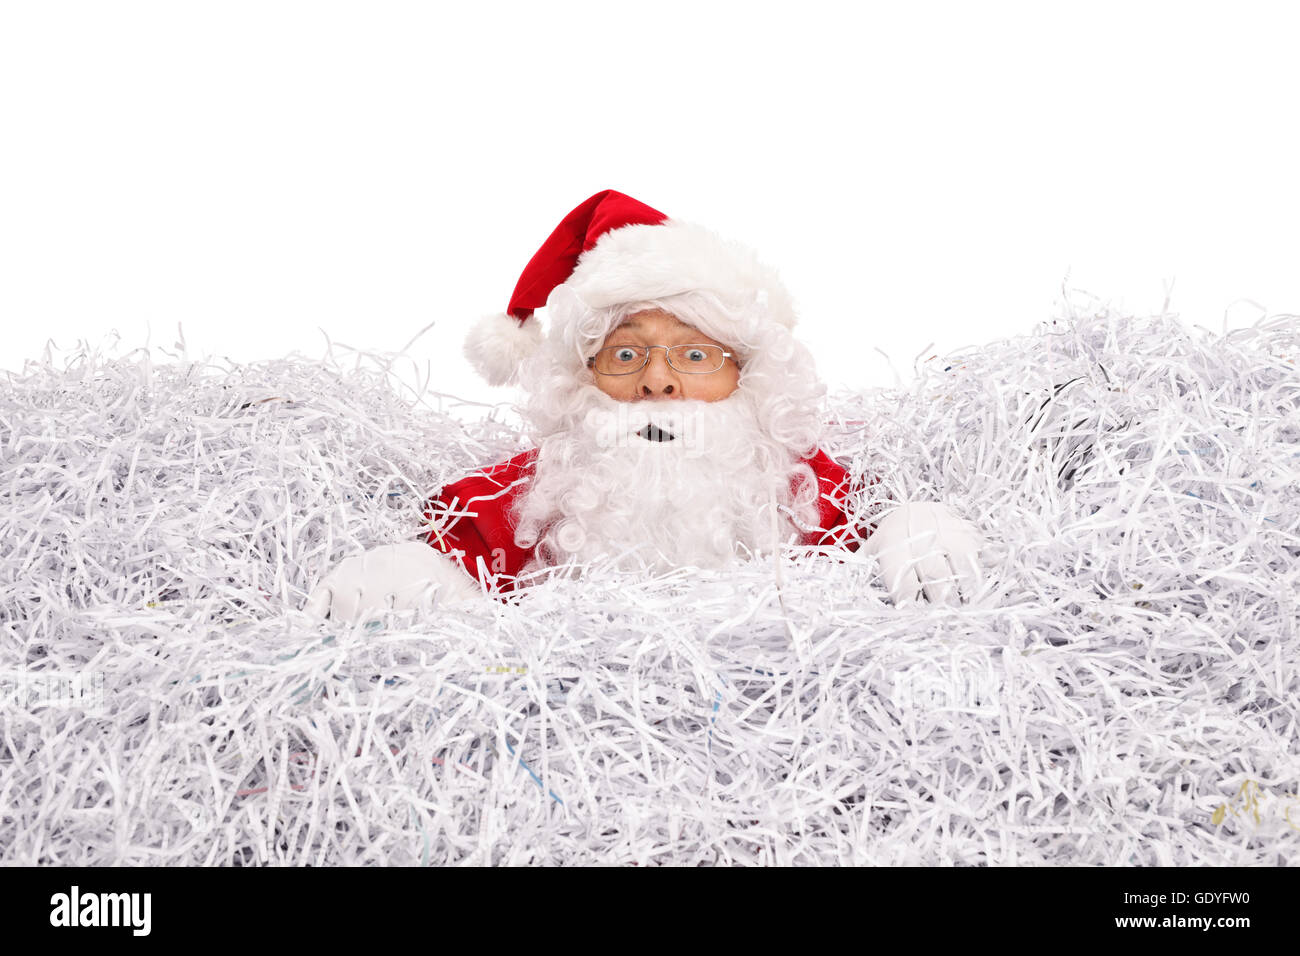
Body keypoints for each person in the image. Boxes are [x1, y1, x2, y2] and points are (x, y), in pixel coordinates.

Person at [304, 190, 984, 623]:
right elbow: (451, 551)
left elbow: (871, 525)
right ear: (583, 374)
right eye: (627, 355)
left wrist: (915, 522)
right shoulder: (521, 497)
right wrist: (406, 567)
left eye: (694, 355)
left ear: (746, 375)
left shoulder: (801, 488)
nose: (658, 382)